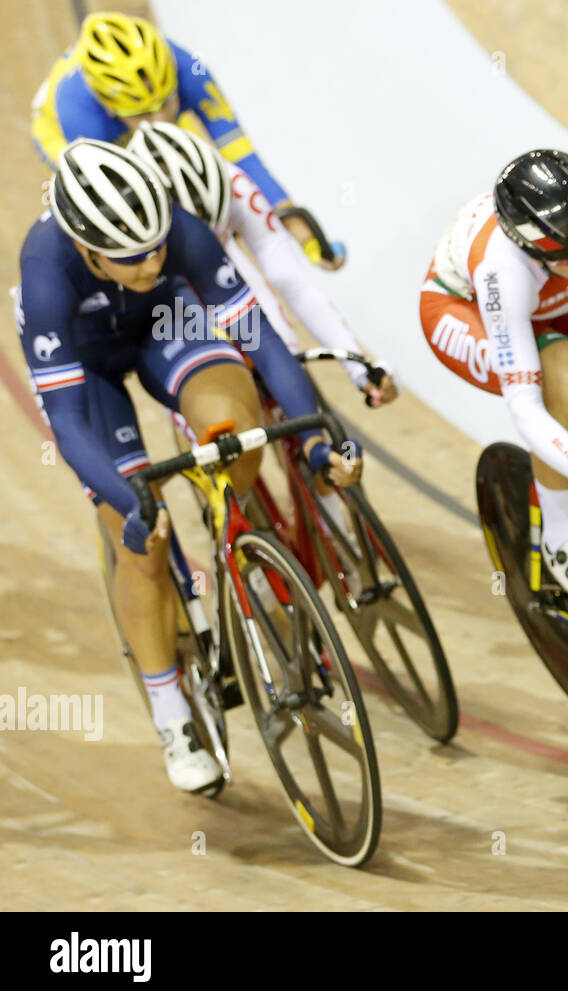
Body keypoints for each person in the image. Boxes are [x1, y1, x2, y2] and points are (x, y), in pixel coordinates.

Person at [16, 140, 360, 794]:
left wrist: (316, 438)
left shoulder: (179, 230)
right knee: (140, 540)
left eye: (156, 247)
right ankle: (172, 711)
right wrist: (131, 501)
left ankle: (235, 543)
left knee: (241, 424)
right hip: (88, 369)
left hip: (162, 326)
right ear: (88, 251)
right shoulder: (45, 275)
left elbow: (257, 337)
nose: (151, 261)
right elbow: (65, 421)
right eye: (131, 256)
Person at [419, 149, 568, 601]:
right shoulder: (502, 271)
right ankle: (560, 537)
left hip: (554, 301)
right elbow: (524, 408)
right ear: (534, 250)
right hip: (463, 309)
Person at [30, 11, 339, 269]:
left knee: (192, 172)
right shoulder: (77, 110)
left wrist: (300, 228)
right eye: (142, 114)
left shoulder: (189, 69)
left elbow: (240, 152)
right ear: (110, 107)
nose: (160, 120)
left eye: (167, 103)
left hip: (128, 112)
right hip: (61, 133)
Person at [127, 122, 396, 406]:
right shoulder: (139, 220)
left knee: (279, 345)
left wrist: (357, 365)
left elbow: (292, 282)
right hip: (171, 282)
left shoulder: (236, 185)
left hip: (226, 254)